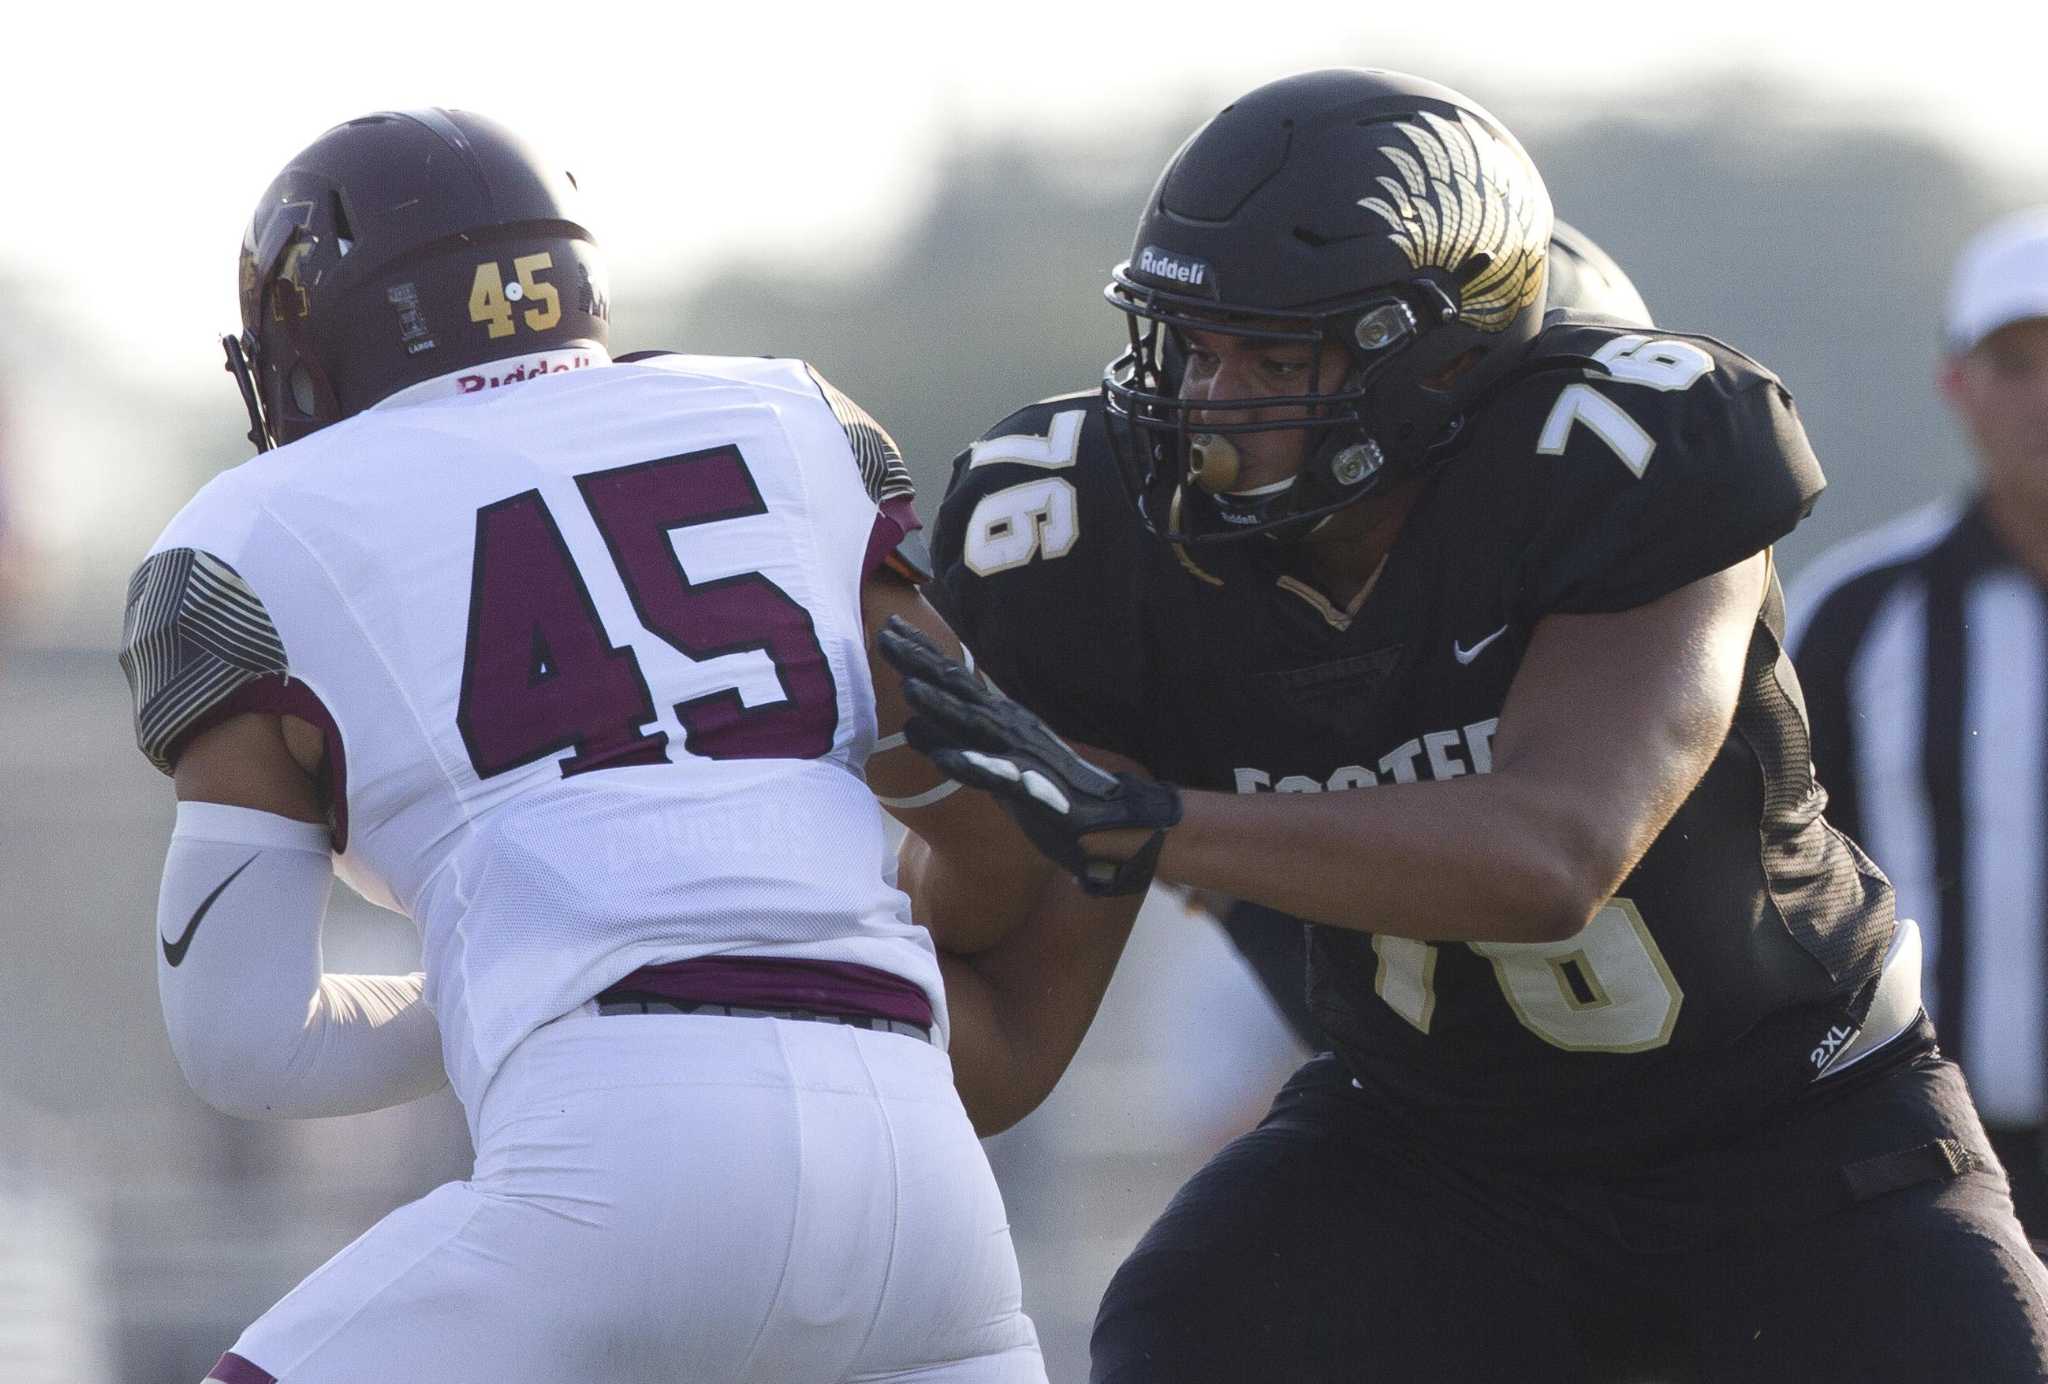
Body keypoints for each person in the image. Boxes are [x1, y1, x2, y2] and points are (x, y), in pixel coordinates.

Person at [887, 69, 2048, 1382]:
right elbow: (1010, 1053)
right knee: (1193, 1329)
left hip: (1797, 1136)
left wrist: (1142, 819)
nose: (1210, 407)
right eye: (1190, 344)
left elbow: (1554, 856)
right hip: (1436, 1143)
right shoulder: (1098, 540)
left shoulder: (1638, 455)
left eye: (1275, 356)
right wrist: (908, 871)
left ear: (1447, 360)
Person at [119, 107, 1127, 1384]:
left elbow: (248, 1044)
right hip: (923, 1191)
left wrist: (558, 952)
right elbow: (990, 821)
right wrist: (760, 924)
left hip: (617, 1163)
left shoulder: (253, 534)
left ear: (304, 352)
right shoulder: (784, 417)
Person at [1199, 217, 1660, 1052]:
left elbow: (1550, 860)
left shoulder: (1649, 562)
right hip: (1424, 1121)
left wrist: (1160, 823)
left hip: (1711, 1094)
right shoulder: (1239, 598)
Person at [1789, 206, 2048, 1241]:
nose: (2043, 397)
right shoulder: (1857, 612)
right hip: (1933, 1141)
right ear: (1954, 383)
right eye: (2013, 361)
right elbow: (1777, 878)